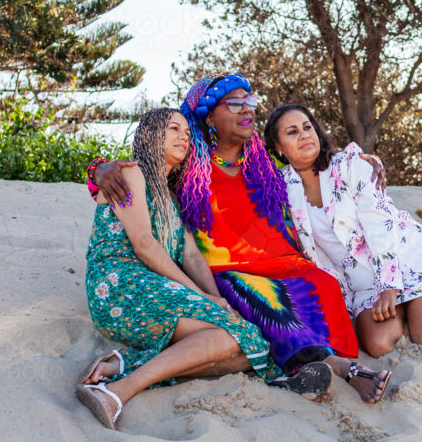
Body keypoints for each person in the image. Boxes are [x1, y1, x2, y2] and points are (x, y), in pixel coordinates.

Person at [90, 76, 391, 404]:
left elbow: (316, 169)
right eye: (234, 104)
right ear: (209, 117)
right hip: (224, 270)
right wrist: (98, 169)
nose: (246, 109)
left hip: (280, 263)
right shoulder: (188, 167)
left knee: (318, 287)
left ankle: (297, 367)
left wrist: (362, 162)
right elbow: (140, 179)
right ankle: (339, 366)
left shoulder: (264, 166)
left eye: (250, 101)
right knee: (255, 296)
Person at [77, 107, 333, 430]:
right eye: (173, 129)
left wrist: (218, 299)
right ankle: (117, 391)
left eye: (186, 131)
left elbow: (193, 256)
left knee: (246, 347)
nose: (183, 136)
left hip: (151, 291)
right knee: (231, 337)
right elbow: (143, 243)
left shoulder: (169, 196)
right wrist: (199, 295)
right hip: (120, 288)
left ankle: (119, 366)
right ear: (147, 136)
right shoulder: (130, 173)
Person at [264, 104, 422, 359]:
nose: (304, 135)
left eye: (307, 127)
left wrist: (389, 288)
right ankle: (418, 314)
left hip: (409, 262)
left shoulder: (350, 165)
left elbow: (379, 225)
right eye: (292, 132)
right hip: (365, 286)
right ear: (279, 147)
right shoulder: (281, 188)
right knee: (378, 345)